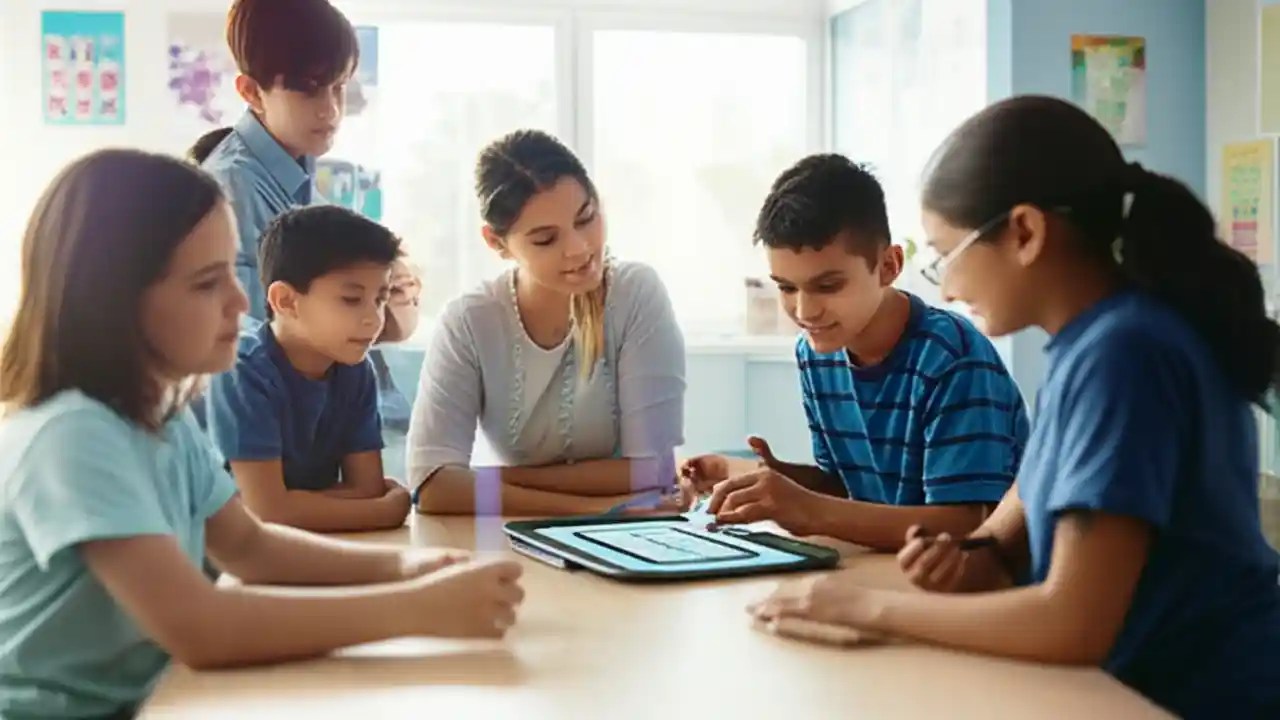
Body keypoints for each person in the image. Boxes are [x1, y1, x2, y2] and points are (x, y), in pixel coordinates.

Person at [750, 96, 1280, 718]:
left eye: (947, 255)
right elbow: (1011, 527)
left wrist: (867, 608)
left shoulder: (1125, 353)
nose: (948, 288)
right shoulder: (1090, 346)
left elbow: (1074, 622)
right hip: (1120, 691)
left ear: (1025, 233)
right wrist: (980, 558)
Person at [0, 150, 523, 720]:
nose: (239, 300)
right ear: (115, 298)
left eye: (232, 269)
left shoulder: (163, 418)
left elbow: (249, 546)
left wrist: (406, 567)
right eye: (207, 283)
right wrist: (417, 609)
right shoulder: (73, 434)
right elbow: (199, 627)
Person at [683, 155, 1028, 550]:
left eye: (827, 286)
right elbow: (847, 490)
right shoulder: (816, 353)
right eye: (787, 287)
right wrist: (776, 480)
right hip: (887, 565)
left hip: (976, 578)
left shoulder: (951, 357)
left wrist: (809, 509)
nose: (804, 312)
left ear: (888, 266)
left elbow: (967, 524)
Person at [408, 129, 687, 515]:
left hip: (629, 529)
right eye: (545, 240)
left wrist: (487, 480)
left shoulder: (635, 293)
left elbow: (651, 472)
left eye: (586, 218)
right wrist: (598, 510)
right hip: (534, 531)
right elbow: (431, 487)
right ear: (497, 243)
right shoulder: (469, 321)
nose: (579, 249)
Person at [193, 0, 418, 424]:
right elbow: (249, 342)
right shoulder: (233, 185)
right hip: (262, 429)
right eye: (308, 89)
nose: (330, 109)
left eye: (338, 87)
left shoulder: (301, 175)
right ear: (251, 92)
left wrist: (389, 288)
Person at [207, 205, 413, 532]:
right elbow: (266, 512)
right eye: (351, 299)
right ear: (286, 301)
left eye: (380, 299)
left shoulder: (355, 369)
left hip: (311, 545)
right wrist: (385, 512)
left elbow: (368, 488)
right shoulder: (243, 370)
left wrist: (292, 504)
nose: (374, 319)